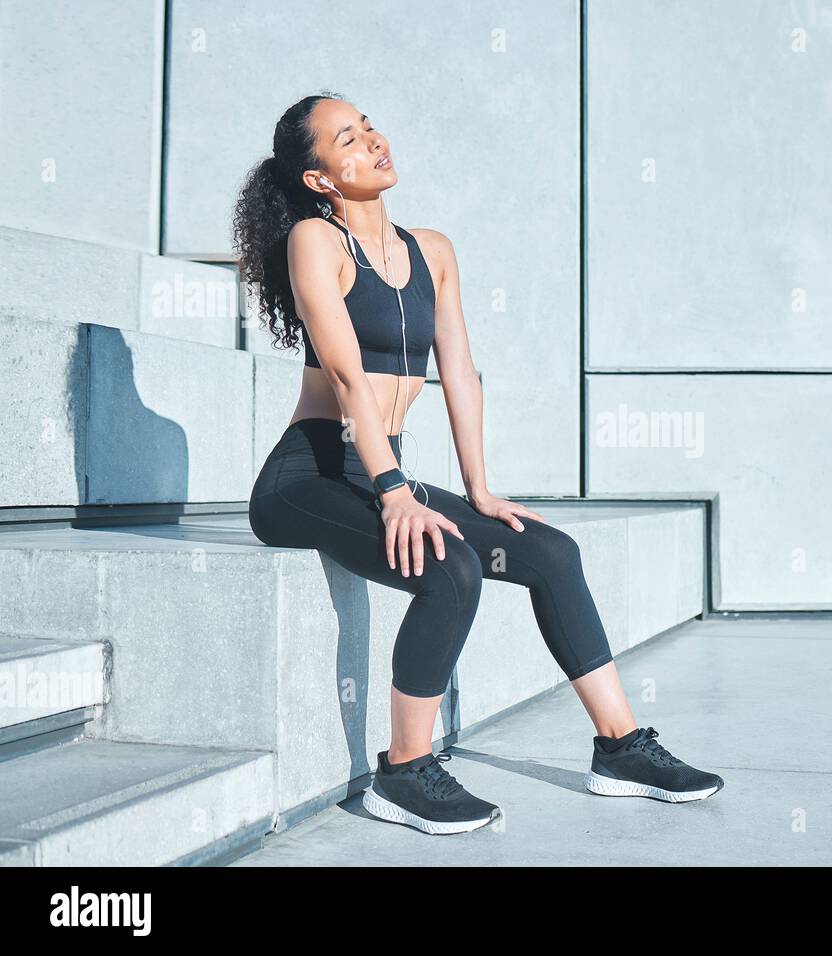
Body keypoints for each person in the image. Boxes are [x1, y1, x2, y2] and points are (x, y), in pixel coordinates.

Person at [234, 92, 723, 835]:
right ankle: (402, 773)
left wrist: (480, 489)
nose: (373, 142)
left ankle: (620, 747)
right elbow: (346, 377)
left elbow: (460, 373)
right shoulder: (316, 242)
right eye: (348, 140)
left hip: (384, 470)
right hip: (309, 475)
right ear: (321, 180)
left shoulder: (432, 249)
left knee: (553, 553)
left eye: (369, 127)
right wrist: (396, 491)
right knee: (451, 567)